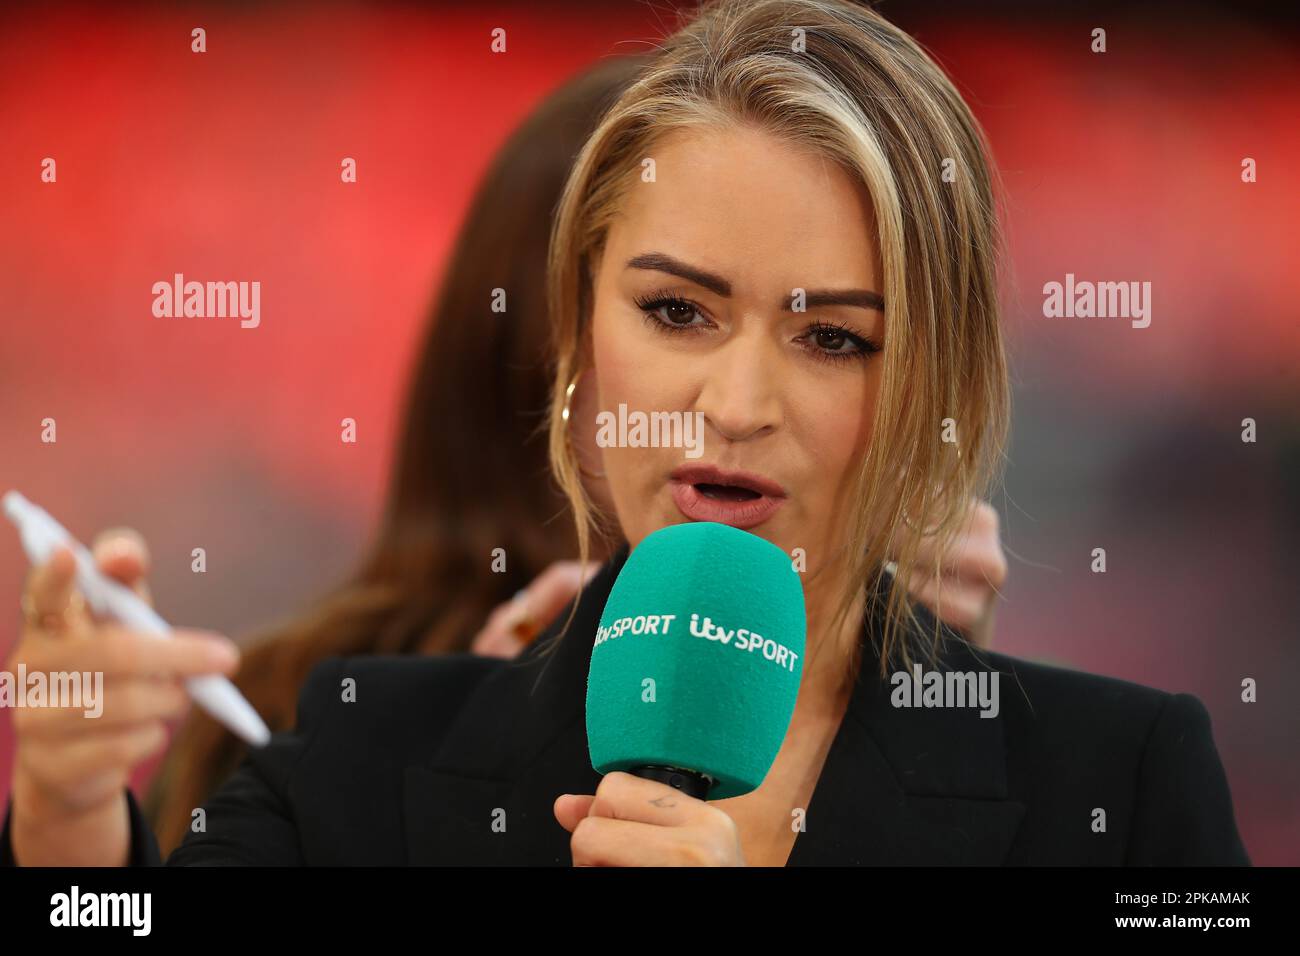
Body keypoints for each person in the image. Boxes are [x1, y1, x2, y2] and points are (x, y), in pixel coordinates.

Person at [7, 0, 1241, 866]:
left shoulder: (1121, 780)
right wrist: (64, 824)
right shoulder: (357, 745)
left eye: (832, 336)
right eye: (675, 311)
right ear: (577, 339)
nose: (734, 401)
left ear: (938, 382)